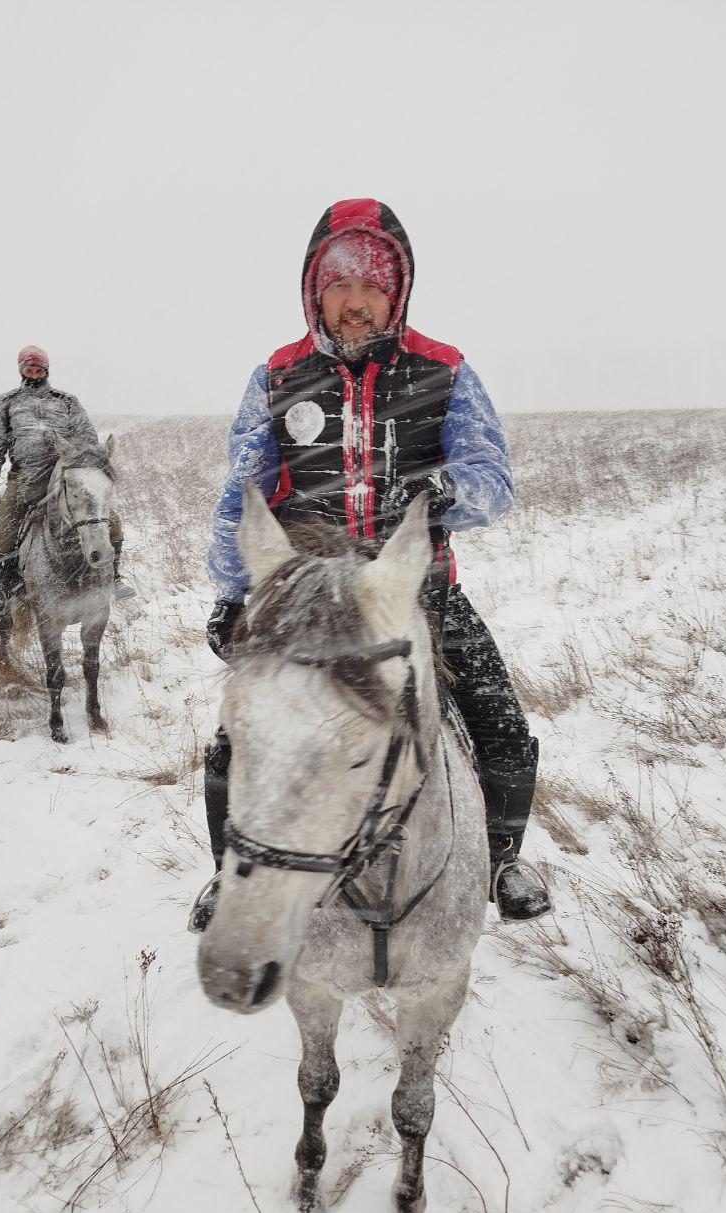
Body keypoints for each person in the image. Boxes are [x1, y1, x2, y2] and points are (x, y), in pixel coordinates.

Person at [191, 199, 551, 932]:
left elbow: (493, 477)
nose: (356, 304)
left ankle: (501, 859)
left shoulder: (444, 370)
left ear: (397, 292)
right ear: (315, 291)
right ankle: (233, 874)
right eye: (340, 286)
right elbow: (244, 494)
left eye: (372, 288)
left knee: (500, 723)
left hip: (420, 593)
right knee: (240, 739)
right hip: (310, 603)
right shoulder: (276, 377)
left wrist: (448, 490)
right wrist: (235, 594)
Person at [0, 345, 135, 610]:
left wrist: (84, 464)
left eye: (38, 367)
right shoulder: (7, 402)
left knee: (109, 520)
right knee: (4, 530)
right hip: (27, 477)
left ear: (47, 369)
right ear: (21, 370)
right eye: (28, 367)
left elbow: (87, 437)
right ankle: (3, 586)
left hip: (67, 475)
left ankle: (114, 576)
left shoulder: (66, 400)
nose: (34, 371)